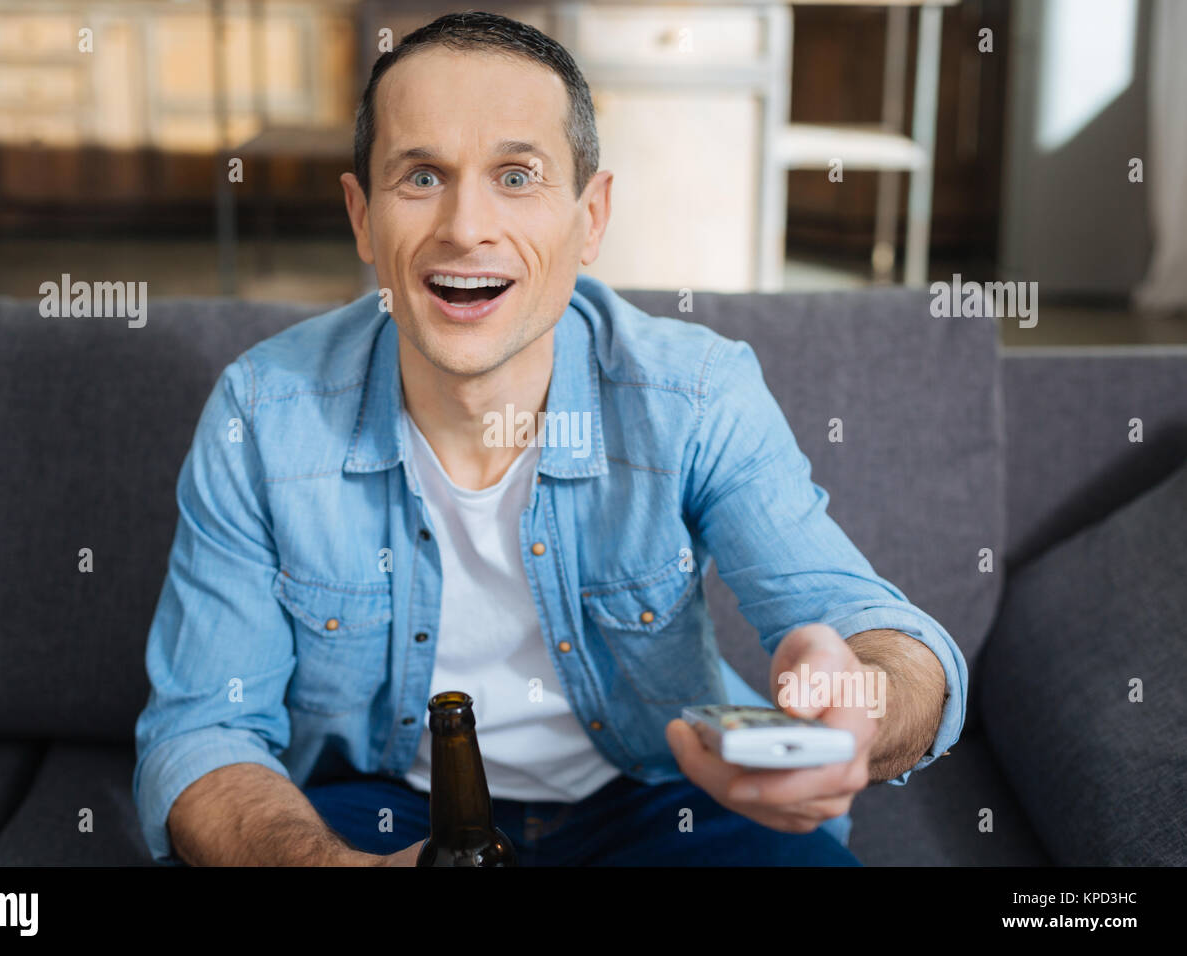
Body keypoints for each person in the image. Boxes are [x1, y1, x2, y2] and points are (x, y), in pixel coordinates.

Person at [133, 11, 965, 867]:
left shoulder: (695, 394)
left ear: (590, 216)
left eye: (517, 176)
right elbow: (203, 731)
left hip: (656, 797)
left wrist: (859, 702)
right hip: (381, 811)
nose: (465, 226)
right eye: (421, 176)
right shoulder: (261, 413)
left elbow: (884, 635)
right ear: (361, 216)